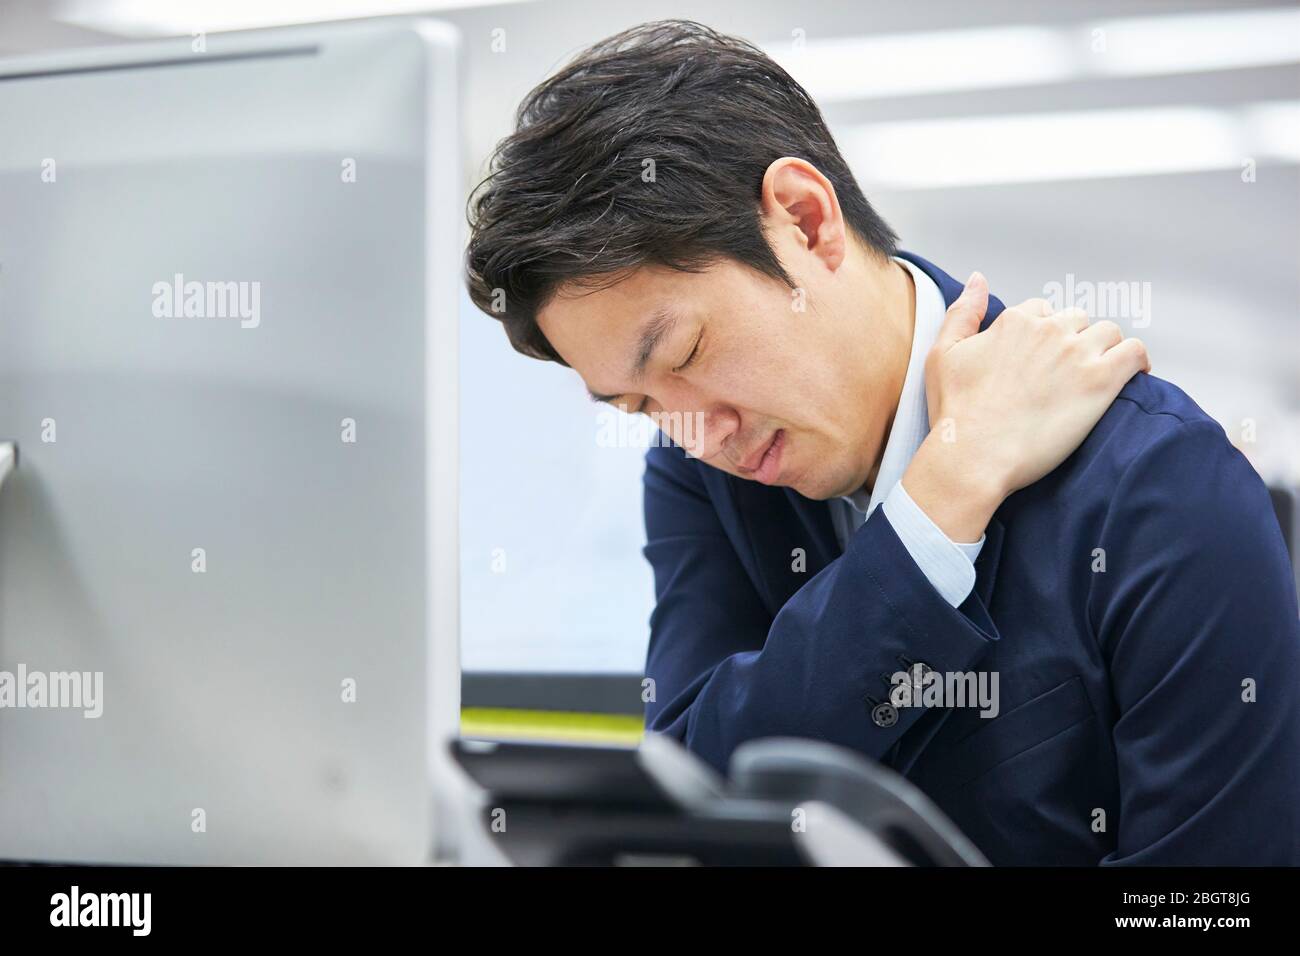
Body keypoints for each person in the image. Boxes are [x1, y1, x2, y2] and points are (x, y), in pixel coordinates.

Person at [464, 20, 1300, 865]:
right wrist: (939, 502)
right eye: (639, 403)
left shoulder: (1161, 486)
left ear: (805, 219)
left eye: (684, 353)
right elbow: (694, 783)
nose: (695, 431)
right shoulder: (700, 473)